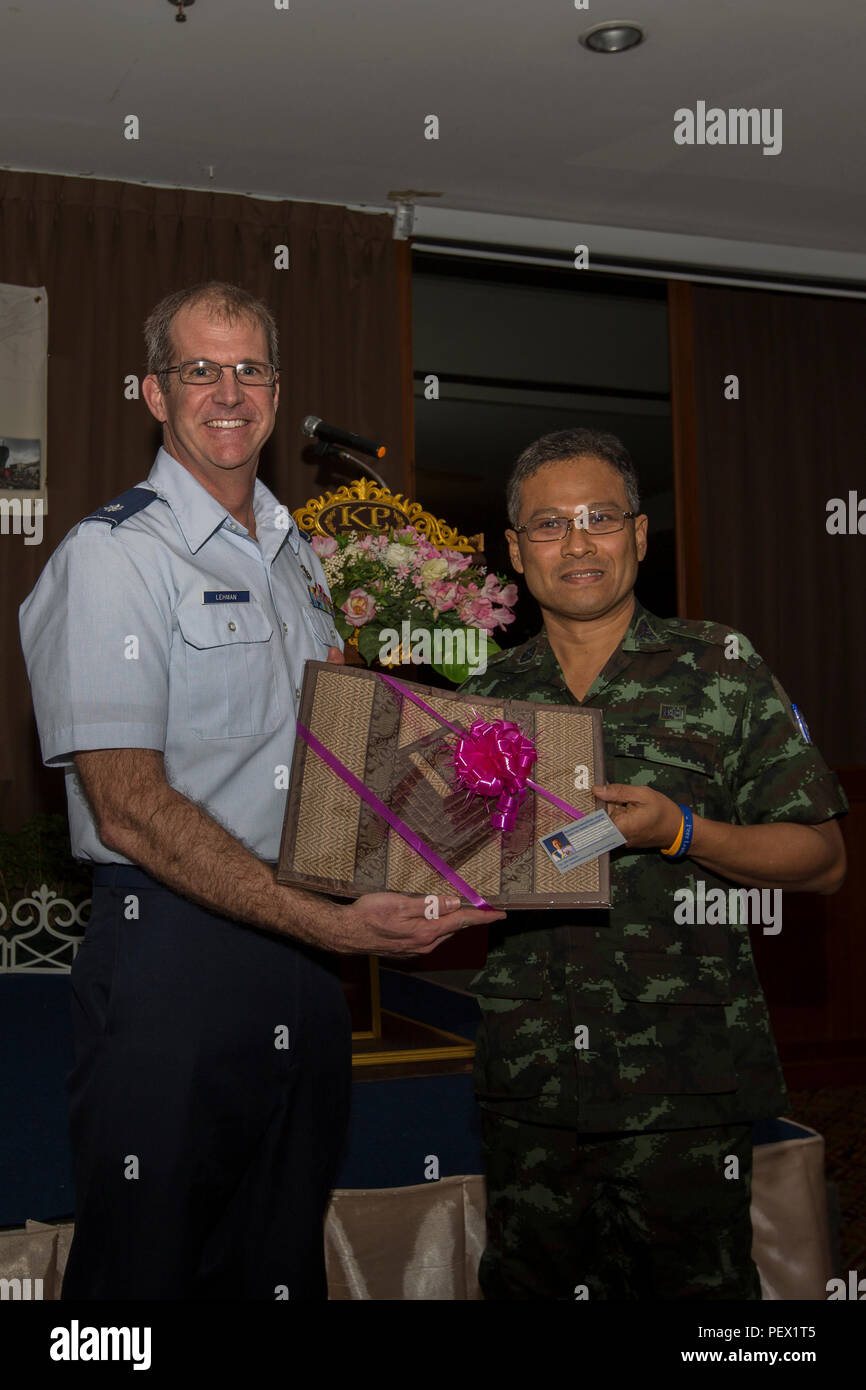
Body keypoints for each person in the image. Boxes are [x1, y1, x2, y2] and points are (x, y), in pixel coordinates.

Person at [19, 281, 501, 1301]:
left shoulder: (298, 568)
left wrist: (450, 834)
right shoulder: (115, 556)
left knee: (277, 1255)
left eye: (249, 370)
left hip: (302, 956)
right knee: (139, 1270)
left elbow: (333, 771)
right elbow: (129, 809)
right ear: (154, 392)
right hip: (174, 957)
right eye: (200, 369)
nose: (226, 391)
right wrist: (324, 927)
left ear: (277, 393)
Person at [459, 427, 847, 1301]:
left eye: (601, 518)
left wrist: (681, 832)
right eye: (551, 526)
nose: (579, 542)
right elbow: (454, 876)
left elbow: (823, 860)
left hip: (686, 1079)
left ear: (639, 535)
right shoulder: (485, 701)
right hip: (533, 1083)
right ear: (518, 553)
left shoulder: (721, 667)